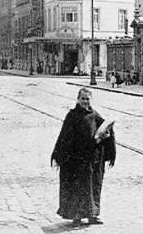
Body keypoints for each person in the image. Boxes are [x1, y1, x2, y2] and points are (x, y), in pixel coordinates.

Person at [51, 88, 116, 225]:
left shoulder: (95, 115)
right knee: (77, 187)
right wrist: (59, 156)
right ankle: (77, 216)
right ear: (78, 99)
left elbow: (106, 130)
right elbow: (65, 137)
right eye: (82, 99)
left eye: (87, 99)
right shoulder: (72, 116)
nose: (85, 102)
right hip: (76, 160)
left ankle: (92, 215)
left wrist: (106, 136)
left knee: (94, 186)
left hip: (92, 160)